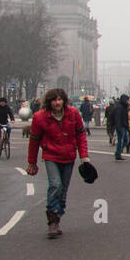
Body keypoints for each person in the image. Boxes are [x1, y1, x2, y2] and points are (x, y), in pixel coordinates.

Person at [27, 88, 91, 238]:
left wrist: (84, 157)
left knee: (63, 191)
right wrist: (32, 162)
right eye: (54, 100)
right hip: (51, 155)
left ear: (64, 101)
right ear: (49, 102)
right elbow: (34, 140)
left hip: (69, 155)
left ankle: (58, 216)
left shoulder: (73, 113)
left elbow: (81, 135)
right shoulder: (40, 117)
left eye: (60, 99)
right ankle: (52, 221)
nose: (57, 103)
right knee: (55, 184)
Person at [113, 94, 130, 160]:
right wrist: (118, 127)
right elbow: (118, 118)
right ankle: (118, 154)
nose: (128, 101)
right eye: (127, 100)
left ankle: (118, 152)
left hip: (123, 125)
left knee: (125, 140)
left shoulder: (123, 106)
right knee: (121, 141)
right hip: (121, 126)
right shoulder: (119, 107)